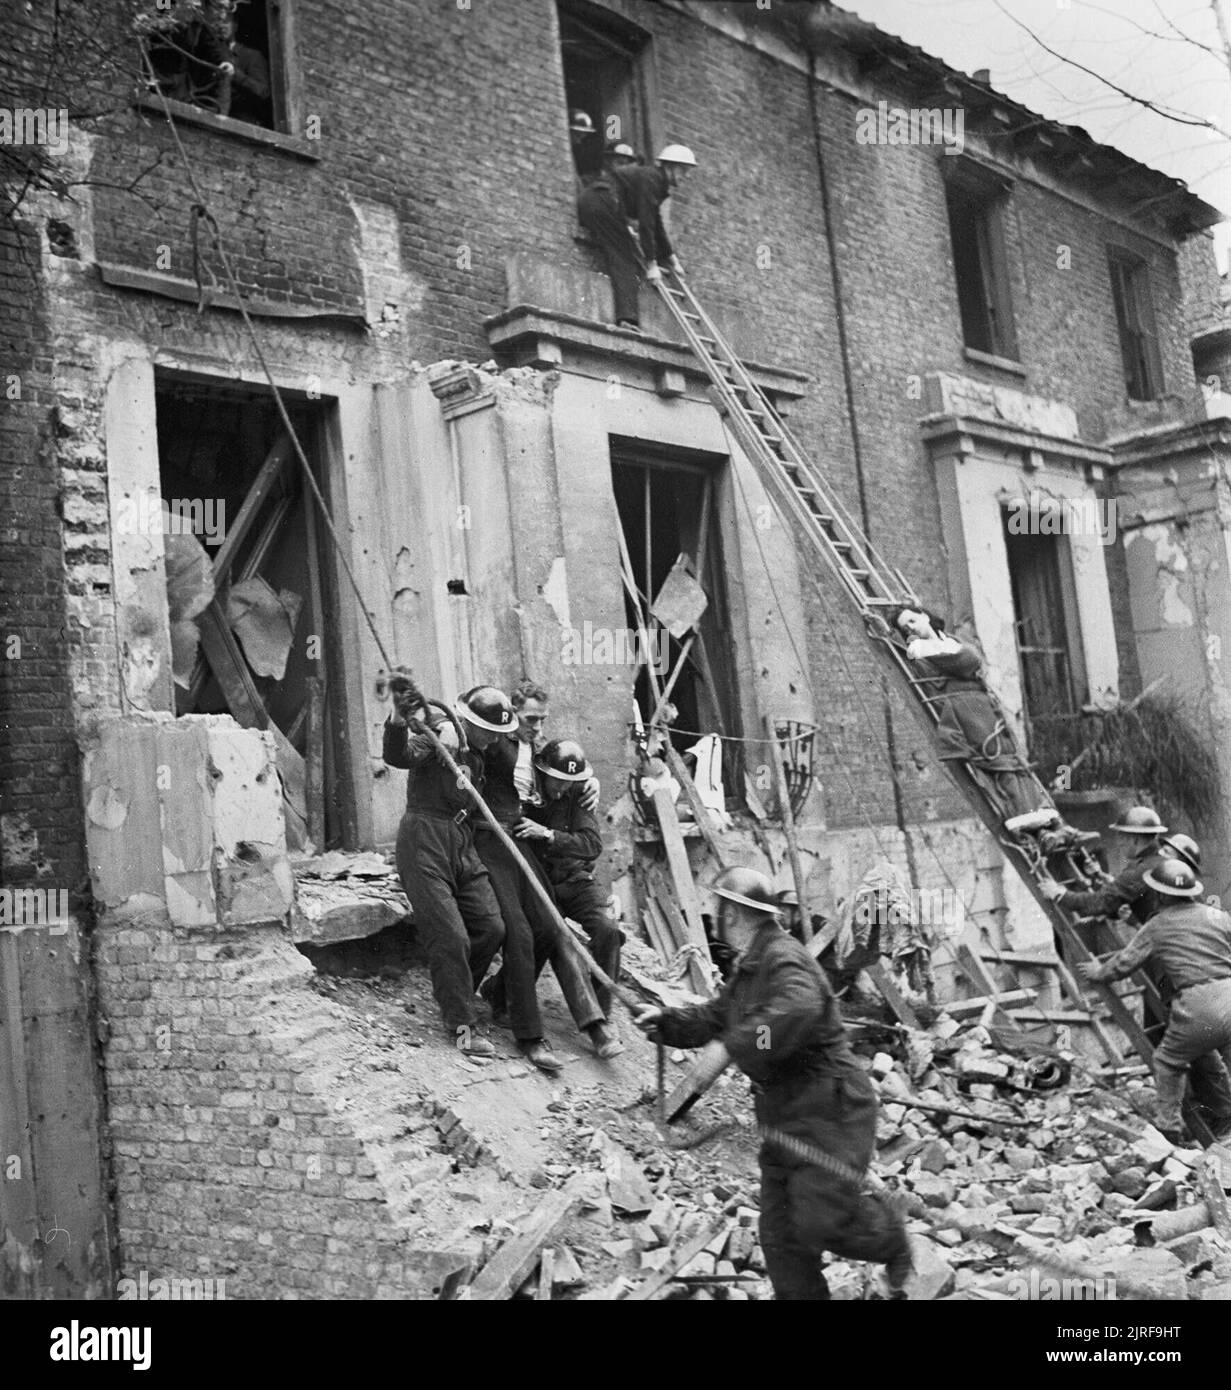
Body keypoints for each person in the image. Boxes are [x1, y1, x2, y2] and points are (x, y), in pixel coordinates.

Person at [634, 867, 913, 1301]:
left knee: (821, 1221)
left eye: (719, 908)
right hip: (784, 1116)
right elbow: (718, 1015)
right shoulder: (751, 967)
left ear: (735, 913)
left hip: (830, 1110)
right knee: (782, 1239)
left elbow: (794, 1011)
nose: (714, 916)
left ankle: (890, 1234)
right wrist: (668, 1023)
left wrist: (733, 1047)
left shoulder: (784, 956)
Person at [470, 694, 616, 1067]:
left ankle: (596, 1023)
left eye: (541, 720)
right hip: (498, 844)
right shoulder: (500, 748)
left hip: (544, 865)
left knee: (561, 929)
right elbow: (473, 744)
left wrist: (590, 781)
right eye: (530, 719)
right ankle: (527, 1031)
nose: (537, 727)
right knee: (521, 932)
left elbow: (588, 835)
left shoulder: (547, 763)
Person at [888, 605, 1095, 855]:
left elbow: (968, 659)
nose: (910, 627)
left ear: (924, 616)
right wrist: (964, 656)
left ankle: (1052, 827)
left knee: (1017, 765)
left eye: (912, 619)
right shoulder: (917, 649)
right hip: (964, 711)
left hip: (984, 706)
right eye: (904, 626)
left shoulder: (946, 641)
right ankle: (1039, 832)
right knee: (1000, 765)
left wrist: (964, 656)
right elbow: (970, 661)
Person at [382, 678, 505, 1058]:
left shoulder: (481, 749)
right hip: (424, 841)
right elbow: (398, 756)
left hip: (461, 841)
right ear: (468, 721)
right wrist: (399, 718)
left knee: (491, 927)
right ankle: (461, 1025)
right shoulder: (439, 734)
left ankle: (457, 991)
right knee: (451, 937)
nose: (493, 738)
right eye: (487, 731)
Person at [1078, 858, 1231, 1143]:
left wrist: (1098, 972)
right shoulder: (1217, 916)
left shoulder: (1157, 925)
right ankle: (1226, 1124)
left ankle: (1169, 1129)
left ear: (1161, 894)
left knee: (1168, 1060)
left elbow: (1126, 962)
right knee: (1213, 1061)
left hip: (1198, 1003)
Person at [516, 739, 623, 1027]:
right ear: (542, 770)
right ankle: (501, 993)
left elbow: (591, 844)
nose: (562, 788)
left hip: (575, 879)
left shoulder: (579, 792)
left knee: (608, 928)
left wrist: (549, 835)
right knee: (553, 935)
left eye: (568, 782)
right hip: (538, 882)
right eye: (557, 780)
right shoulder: (525, 786)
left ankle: (602, 1013)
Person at [577, 143, 695, 332]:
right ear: (670, 167)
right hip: (601, 203)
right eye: (683, 171)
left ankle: (628, 317)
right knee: (625, 257)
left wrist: (673, 260)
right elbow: (646, 224)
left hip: (599, 202)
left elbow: (656, 225)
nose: (685, 176)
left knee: (625, 251)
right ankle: (627, 319)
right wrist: (652, 265)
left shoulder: (655, 181)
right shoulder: (652, 180)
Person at [1039, 806, 1169, 925]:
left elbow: (1101, 902)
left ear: (1135, 839)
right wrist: (1103, 876)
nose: (1119, 843)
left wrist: (1059, 894)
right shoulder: (1162, 860)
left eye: (1122, 837)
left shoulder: (1141, 869)